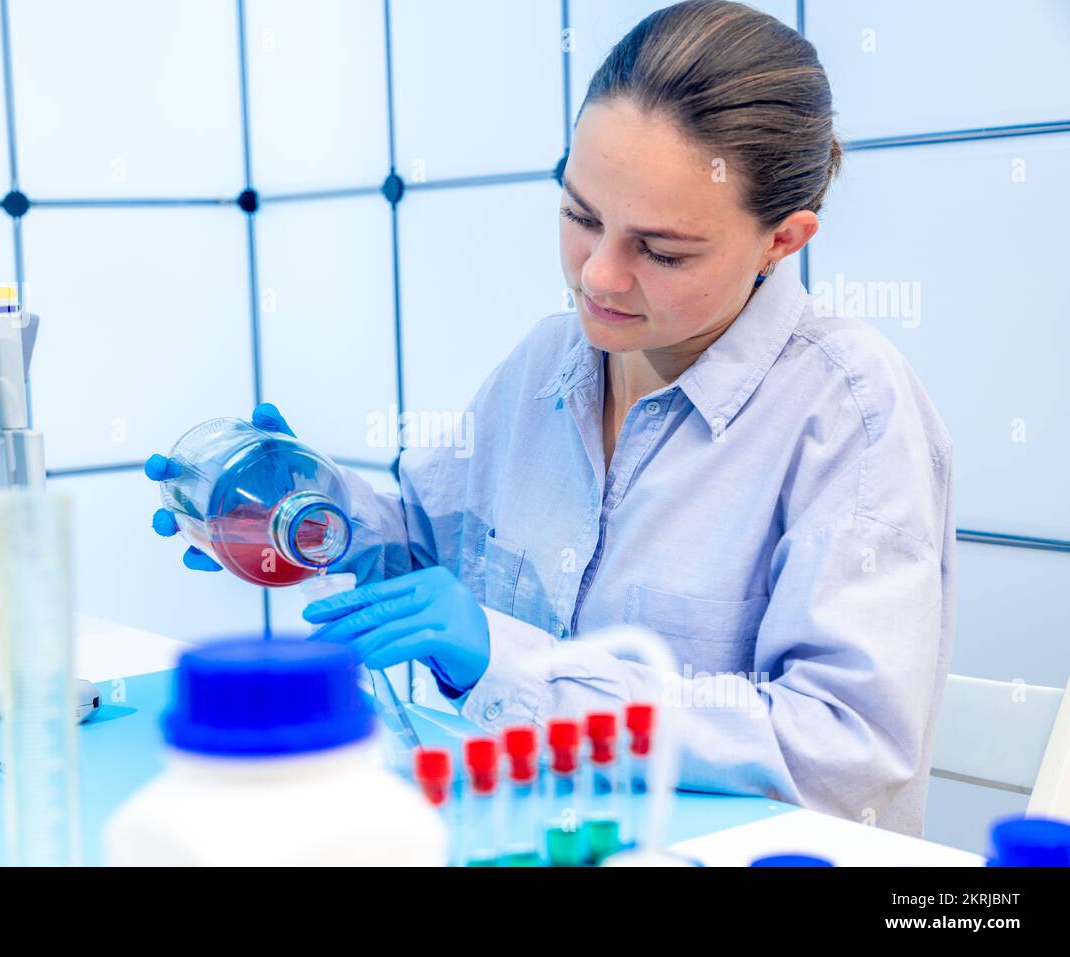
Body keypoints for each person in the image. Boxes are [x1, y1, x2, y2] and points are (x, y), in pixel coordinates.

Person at [148, 0, 953, 837]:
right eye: (580, 216)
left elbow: (843, 749)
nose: (599, 277)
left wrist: (518, 666)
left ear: (783, 239)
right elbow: (430, 554)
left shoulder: (850, 411)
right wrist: (317, 518)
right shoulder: (550, 362)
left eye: (662, 250)